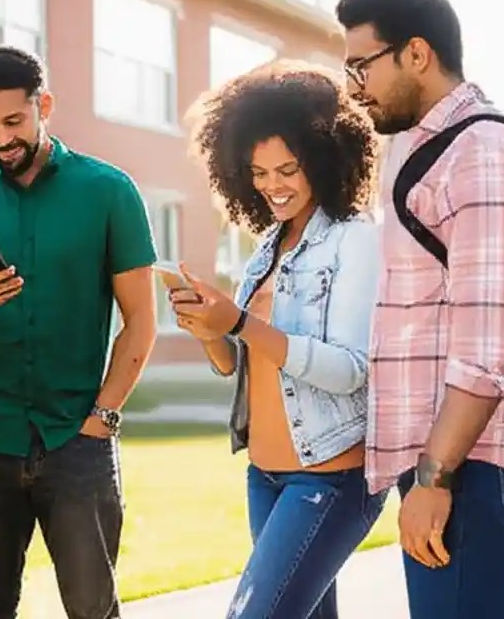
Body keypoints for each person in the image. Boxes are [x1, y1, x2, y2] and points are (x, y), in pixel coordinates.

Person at [336, 0, 504, 618]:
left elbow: (491, 349)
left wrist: (435, 478)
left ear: (416, 53)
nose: (355, 87)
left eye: (361, 66)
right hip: (454, 464)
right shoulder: (423, 150)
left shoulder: (483, 155)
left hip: (474, 468)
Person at [0, 45, 159, 619]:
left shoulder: (109, 191)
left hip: (76, 442)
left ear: (45, 106)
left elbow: (140, 321)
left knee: (93, 609)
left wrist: (102, 418)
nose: (0, 137)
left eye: (13, 121)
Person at [174, 60, 385, 619]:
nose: (272, 186)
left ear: (324, 159)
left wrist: (240, 323)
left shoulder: (354, 240)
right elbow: (237, 365)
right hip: (264, 477)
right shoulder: (267, 248)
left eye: (288, 169)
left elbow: (349, 369)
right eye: (259, 172)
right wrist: (209, 330)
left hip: (329, 479)